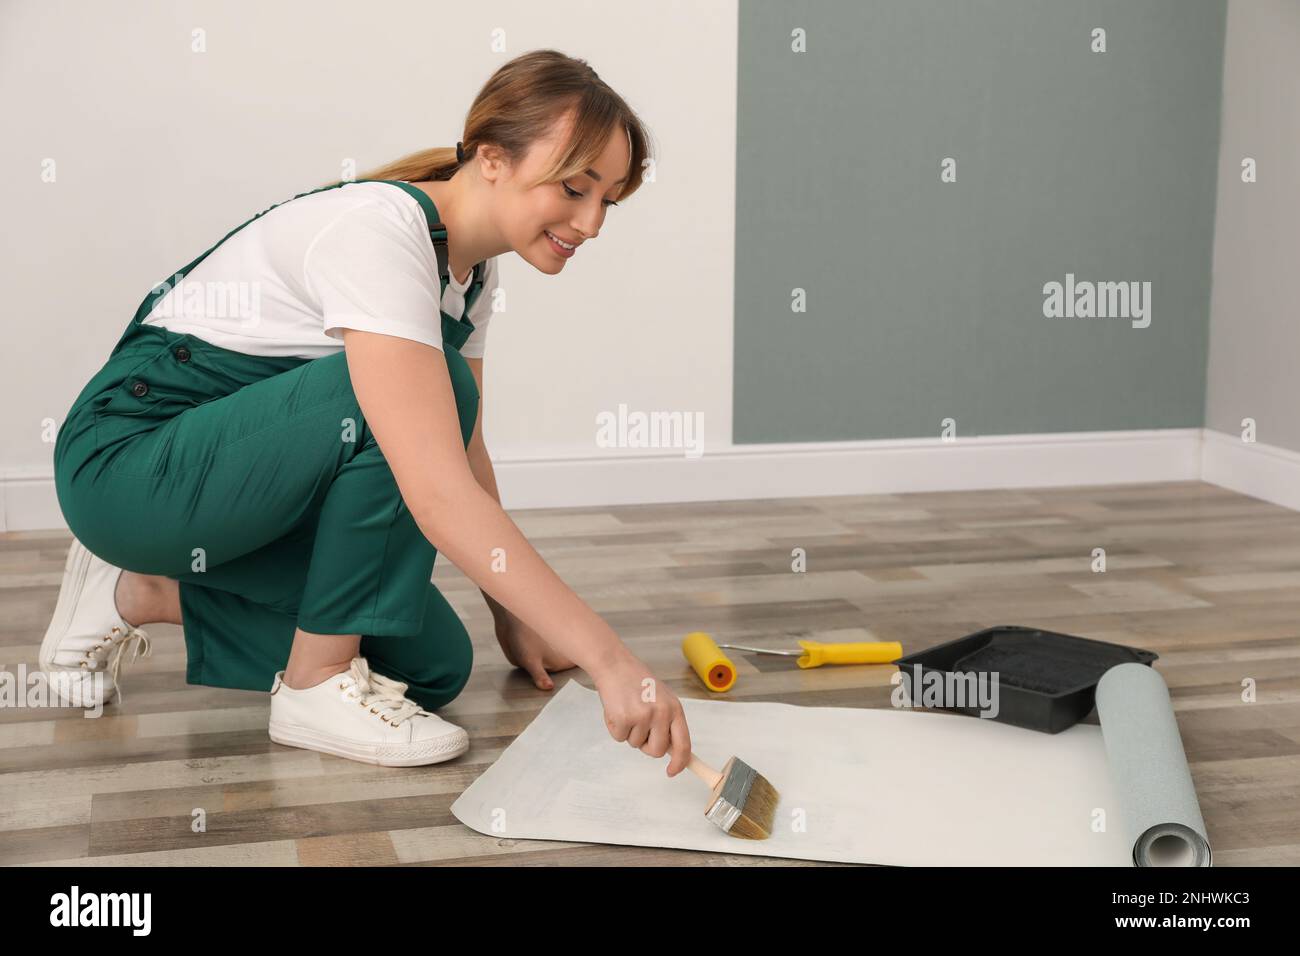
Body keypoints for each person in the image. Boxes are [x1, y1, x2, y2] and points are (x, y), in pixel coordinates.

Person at [43, 48, 693, 775]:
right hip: (129, 468)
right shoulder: (380, 233)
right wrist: (613, 662)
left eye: (610, 198)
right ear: (491, 158)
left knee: (431, 667)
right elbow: (435, 486)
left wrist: (516, 617)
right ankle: (314, 685)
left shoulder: (472, 275)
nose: (593, 221)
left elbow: (465, 452)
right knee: (424, 396)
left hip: (218, 490)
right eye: (576, 187)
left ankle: (138, 589)